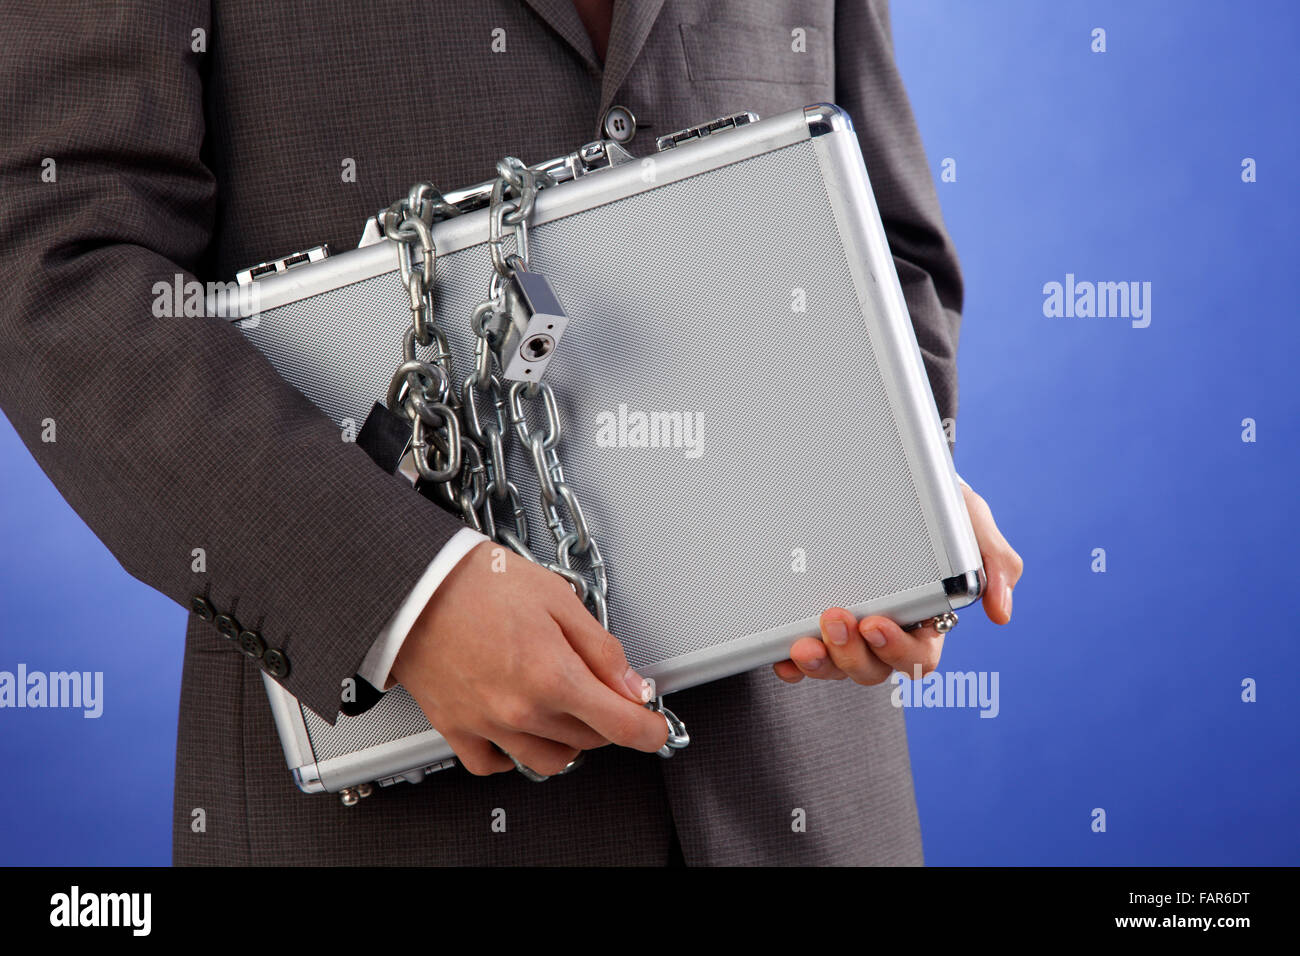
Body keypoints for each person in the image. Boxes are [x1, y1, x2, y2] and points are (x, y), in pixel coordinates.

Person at [0, 0, 1022, 865]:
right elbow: (56, 257)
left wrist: (894, 484)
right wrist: (401, 591)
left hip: (805, 806)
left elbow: (886, 242)